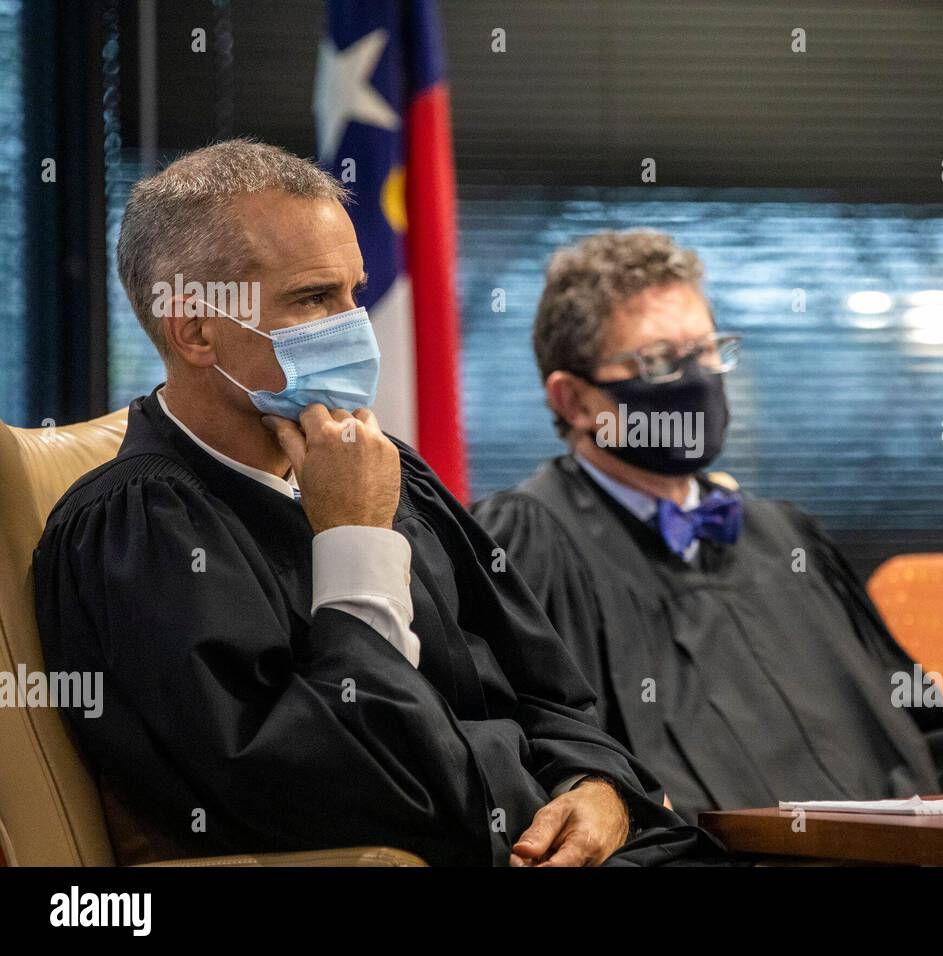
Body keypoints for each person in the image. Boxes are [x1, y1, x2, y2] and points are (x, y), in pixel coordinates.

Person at [34, 140, 716, 866]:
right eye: (314, 298)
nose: (353, 325)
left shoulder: (395, 473)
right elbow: (326, 791)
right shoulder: (138, 530)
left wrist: (599, 787)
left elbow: (555, 698)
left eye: (355, 293)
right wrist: (354, 540)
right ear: (196, 330)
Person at [473, 229, 943, 823]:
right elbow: (535, 764)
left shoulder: (786, 540)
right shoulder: (529, 544)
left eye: (708, 351)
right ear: (575, 401)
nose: (699, 378)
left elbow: (907, 737)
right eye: (659, 361)